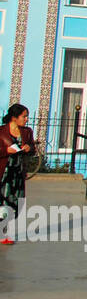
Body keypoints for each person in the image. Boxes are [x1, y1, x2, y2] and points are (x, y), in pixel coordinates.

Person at [0, 104, 36, 244]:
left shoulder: (27, 132)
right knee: (3, 203)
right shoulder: (1, 131)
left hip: (18, 172)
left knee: (16, 203)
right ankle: (3, 234)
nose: (26, 119)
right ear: (14, 118)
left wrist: (29, 148)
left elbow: (33, 148)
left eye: (27, 116)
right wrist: (6, 151)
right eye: (24, 116)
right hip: (4, 172)